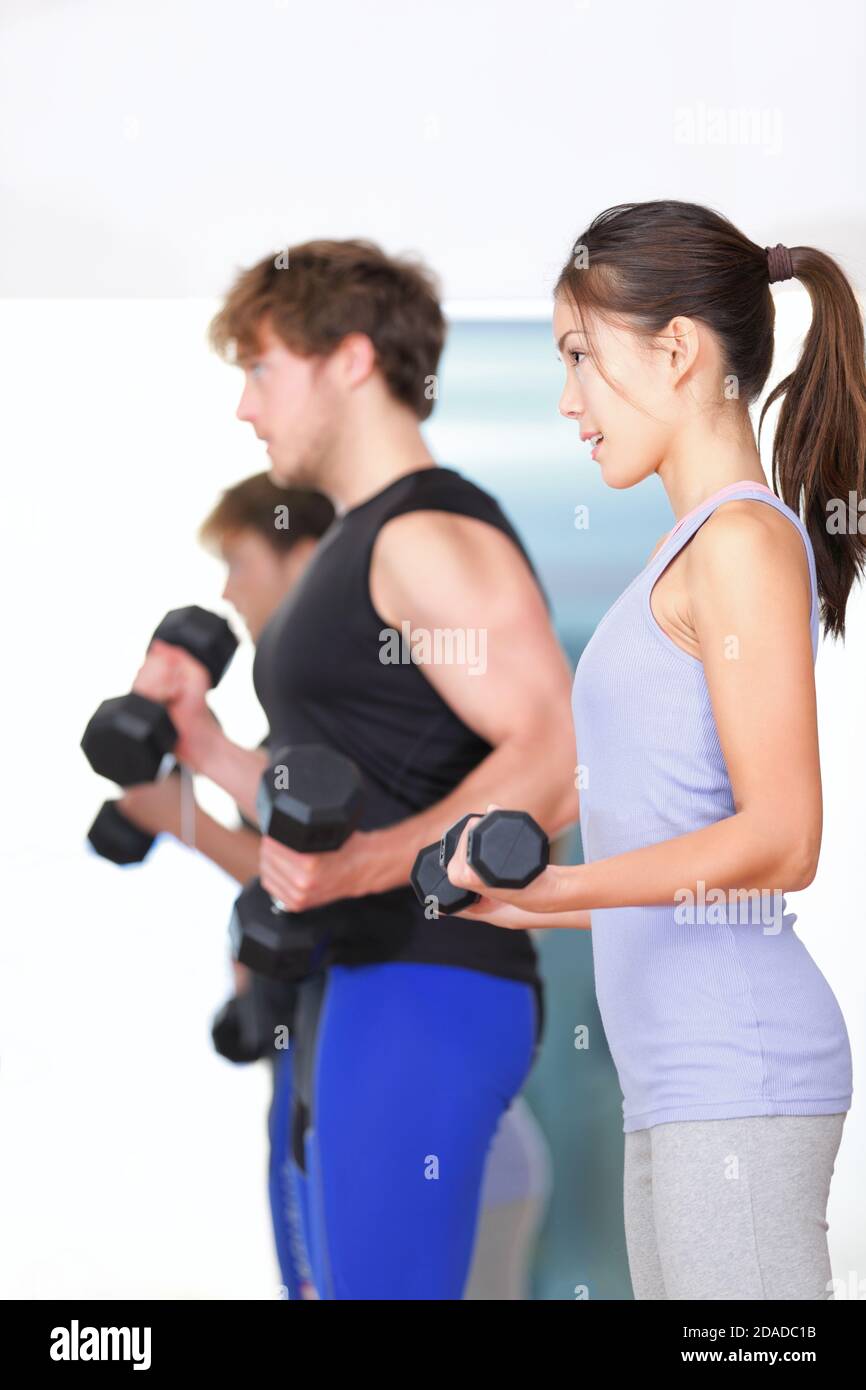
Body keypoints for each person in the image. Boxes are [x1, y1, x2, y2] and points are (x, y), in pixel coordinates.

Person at [129, 238, 579, 1299]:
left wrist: (370, 861)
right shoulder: (353, 544)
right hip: (362, 980)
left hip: (428, 979)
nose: (246, 407)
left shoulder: (422, 531)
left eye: (260, 368)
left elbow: (556, 762)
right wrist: (203, 749)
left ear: (349, 359)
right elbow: (357, 778)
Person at [446, 200, 864, 1301]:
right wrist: (534, 898)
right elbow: (675, 848)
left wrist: (565, 877)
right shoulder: (684, 554)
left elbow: (780, 839)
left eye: (580, 355)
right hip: (678, 1081)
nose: (567, 398)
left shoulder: (736, 542)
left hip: (739, 1067)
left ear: (675, 348)